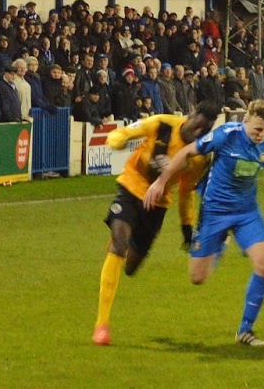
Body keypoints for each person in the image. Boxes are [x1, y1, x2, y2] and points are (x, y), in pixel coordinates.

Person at [144, 98, 264, 348]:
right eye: (258, 129)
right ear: (246, 121)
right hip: (214, 212)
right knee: (197, 278)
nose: (262, 135)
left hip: (246, 213)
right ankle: (220, 244)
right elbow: (187, 152)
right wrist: (161, 181)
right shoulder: (226, 135)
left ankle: (245, 331)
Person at [91, 100, 222, 346]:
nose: (198, 133)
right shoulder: (161, 123)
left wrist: (186, 225)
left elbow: (186, 190)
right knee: (119, 243)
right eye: (197, 127)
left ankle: (124, 247)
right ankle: (102, 325)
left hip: (157, 205)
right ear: (190, 113)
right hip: (130, 187)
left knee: (130, 267)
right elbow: (124, 132)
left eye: (204, 131)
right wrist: (116, 141)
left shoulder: (198, 156)